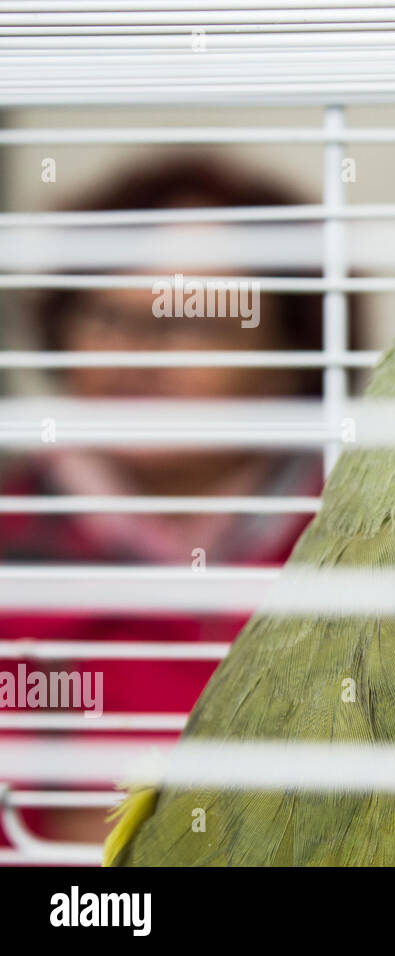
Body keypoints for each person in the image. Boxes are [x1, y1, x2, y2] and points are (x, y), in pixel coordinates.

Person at [0, 155, 330, 846]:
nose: (137, 355)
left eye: (191, 321)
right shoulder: (14, 537)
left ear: (295, 352)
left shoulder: (378, 546)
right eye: (106, 316)